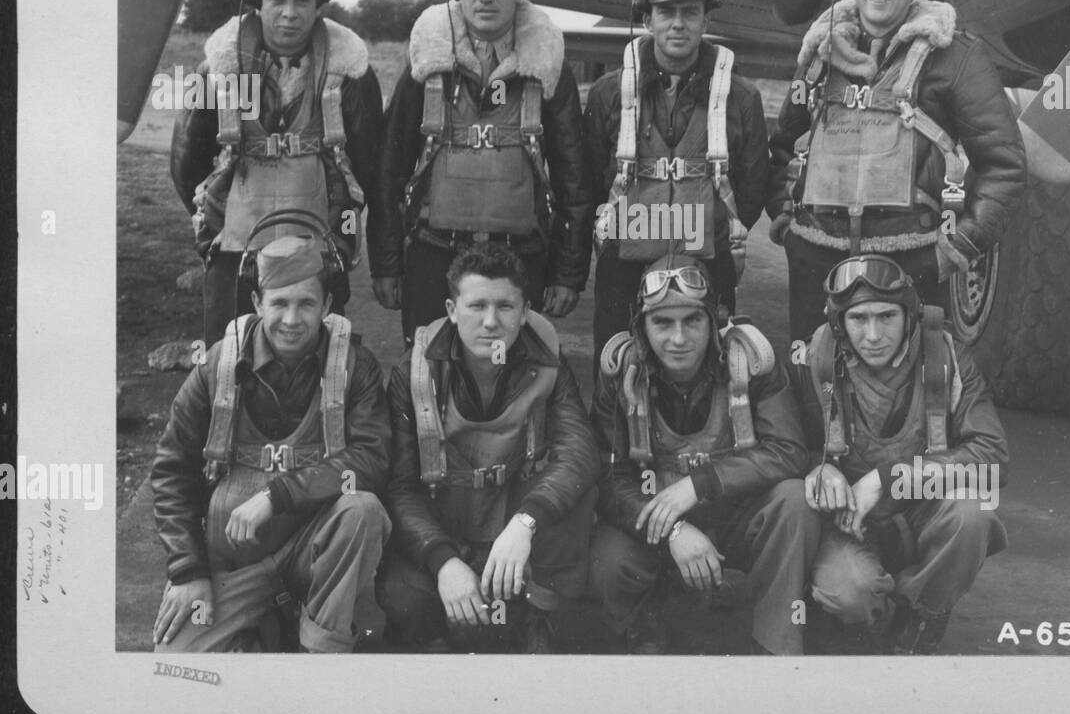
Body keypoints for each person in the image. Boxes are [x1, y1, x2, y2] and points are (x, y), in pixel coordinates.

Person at [768, 0, 1026, 344]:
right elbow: (781, 146)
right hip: (814, 257)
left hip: (913, 262)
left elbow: (1006, 164)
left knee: (909, 403)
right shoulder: (817, 55)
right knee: (813, 392)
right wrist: (784, 219)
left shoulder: (957, 57)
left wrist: (959, 248)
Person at [151, 224, 392, 653]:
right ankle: (265, 626)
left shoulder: (357, 367)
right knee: (178, 663)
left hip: (312, 555)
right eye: (279, 302)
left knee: (362, 509)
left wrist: (277, 495)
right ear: (257, 302)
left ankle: (320, 651)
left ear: (328, 305)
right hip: (232, 565)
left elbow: (371, 459)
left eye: (306, 303)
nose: (292, 319)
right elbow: (172, 469)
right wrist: (187, 571)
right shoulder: (217, 367)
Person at [371, 0, 593, 342]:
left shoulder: (548, 68)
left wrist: (568, 273)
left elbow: (574, 182)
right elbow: (389, 171)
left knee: (513, 377)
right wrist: (386, 264)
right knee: (426, 376)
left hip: (519, 256)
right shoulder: (425, 64)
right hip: (434, 251)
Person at [589, 256, 819, 655]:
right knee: (609, 559)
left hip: (736, 514)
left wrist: (701, 484)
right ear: (641, 326)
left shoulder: (751, 362)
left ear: (715, 320)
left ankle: (775, 640)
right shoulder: (621, 375)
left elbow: (789, 452)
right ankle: (642, 621)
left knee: (795, 500)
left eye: (692, 321)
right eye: (662, 323)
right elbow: (609, 481)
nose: (678, 339)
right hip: (658, 521)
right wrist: (674, 529)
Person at [378, 243, 600, 653]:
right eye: (476, 306)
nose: (492, 322)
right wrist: (442, 560)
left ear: (526, 309)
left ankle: (538, 618)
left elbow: (579, 453)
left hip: (513, 519)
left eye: (506, 307)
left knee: (577, 490)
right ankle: (434, 637)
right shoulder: (414, 372)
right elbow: (400, 485)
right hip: (447, 518)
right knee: (403, 598)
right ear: (451, 308)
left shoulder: (548, 359)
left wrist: (525, 524)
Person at [172, 0, 384, 347]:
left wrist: (340, 243)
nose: (289, 12)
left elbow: (367, 168)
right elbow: (187, 163)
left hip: (317, 259)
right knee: (227, 370)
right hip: (234, 258)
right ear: (258, 1)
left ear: (319, 2)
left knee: (313, 377)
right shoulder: (216, 72)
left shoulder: (351, 76)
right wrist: (216, 224)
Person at [794, 254, 1008, 654]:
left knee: (972, 515)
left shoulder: (947, 358)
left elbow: (992, 458)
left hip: (921, 509)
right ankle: (855, 613)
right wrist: (818, 470)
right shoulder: (815, 360)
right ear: (839, 323)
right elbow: (785, 449)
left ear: (909, 315)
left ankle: (923, 613)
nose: (873, 334)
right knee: (849, 595)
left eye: (886, 317)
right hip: (847, 521)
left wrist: (892, 477)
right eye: (859, 319)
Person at [584, 0, 770, 364]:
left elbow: (754, 185)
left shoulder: (740, 96)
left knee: (709, 369)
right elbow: (590, 173)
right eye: (665, 11)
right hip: (625, 260)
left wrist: (712, 227)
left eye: (691, 11)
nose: (678, 23)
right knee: (617, 368)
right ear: (646, 18)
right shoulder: (609, 93)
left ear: (707, 18)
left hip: (708, 256)